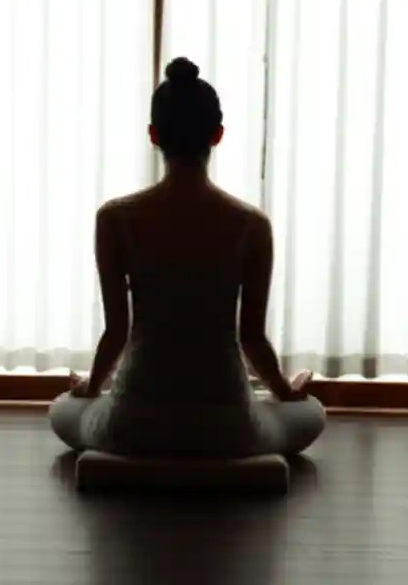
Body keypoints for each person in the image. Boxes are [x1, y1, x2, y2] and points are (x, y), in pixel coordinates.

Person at [48, 57, 325, 458]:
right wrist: (286, 392)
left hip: (133, 424)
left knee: (63, 408)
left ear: (153, 134)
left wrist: (90, 388)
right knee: (311, 413)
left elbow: (117, 331)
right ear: (218, 134)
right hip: (228, 428)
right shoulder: (251, 224)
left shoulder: (114, 219)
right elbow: (251, 337)